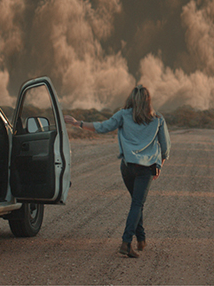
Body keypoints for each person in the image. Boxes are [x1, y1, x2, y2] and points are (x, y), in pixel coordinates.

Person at [64, 85, 171, 258]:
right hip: (145, 169)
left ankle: (141, 239)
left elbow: (102, 127)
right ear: (148, 101)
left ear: (131, 99)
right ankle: (126, 242)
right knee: (137, 204)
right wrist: (160, 165)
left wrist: (78, 123)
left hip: (127, 167)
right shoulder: (158, 119)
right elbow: (165, 148)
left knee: (137, 203)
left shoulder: (123, 115)